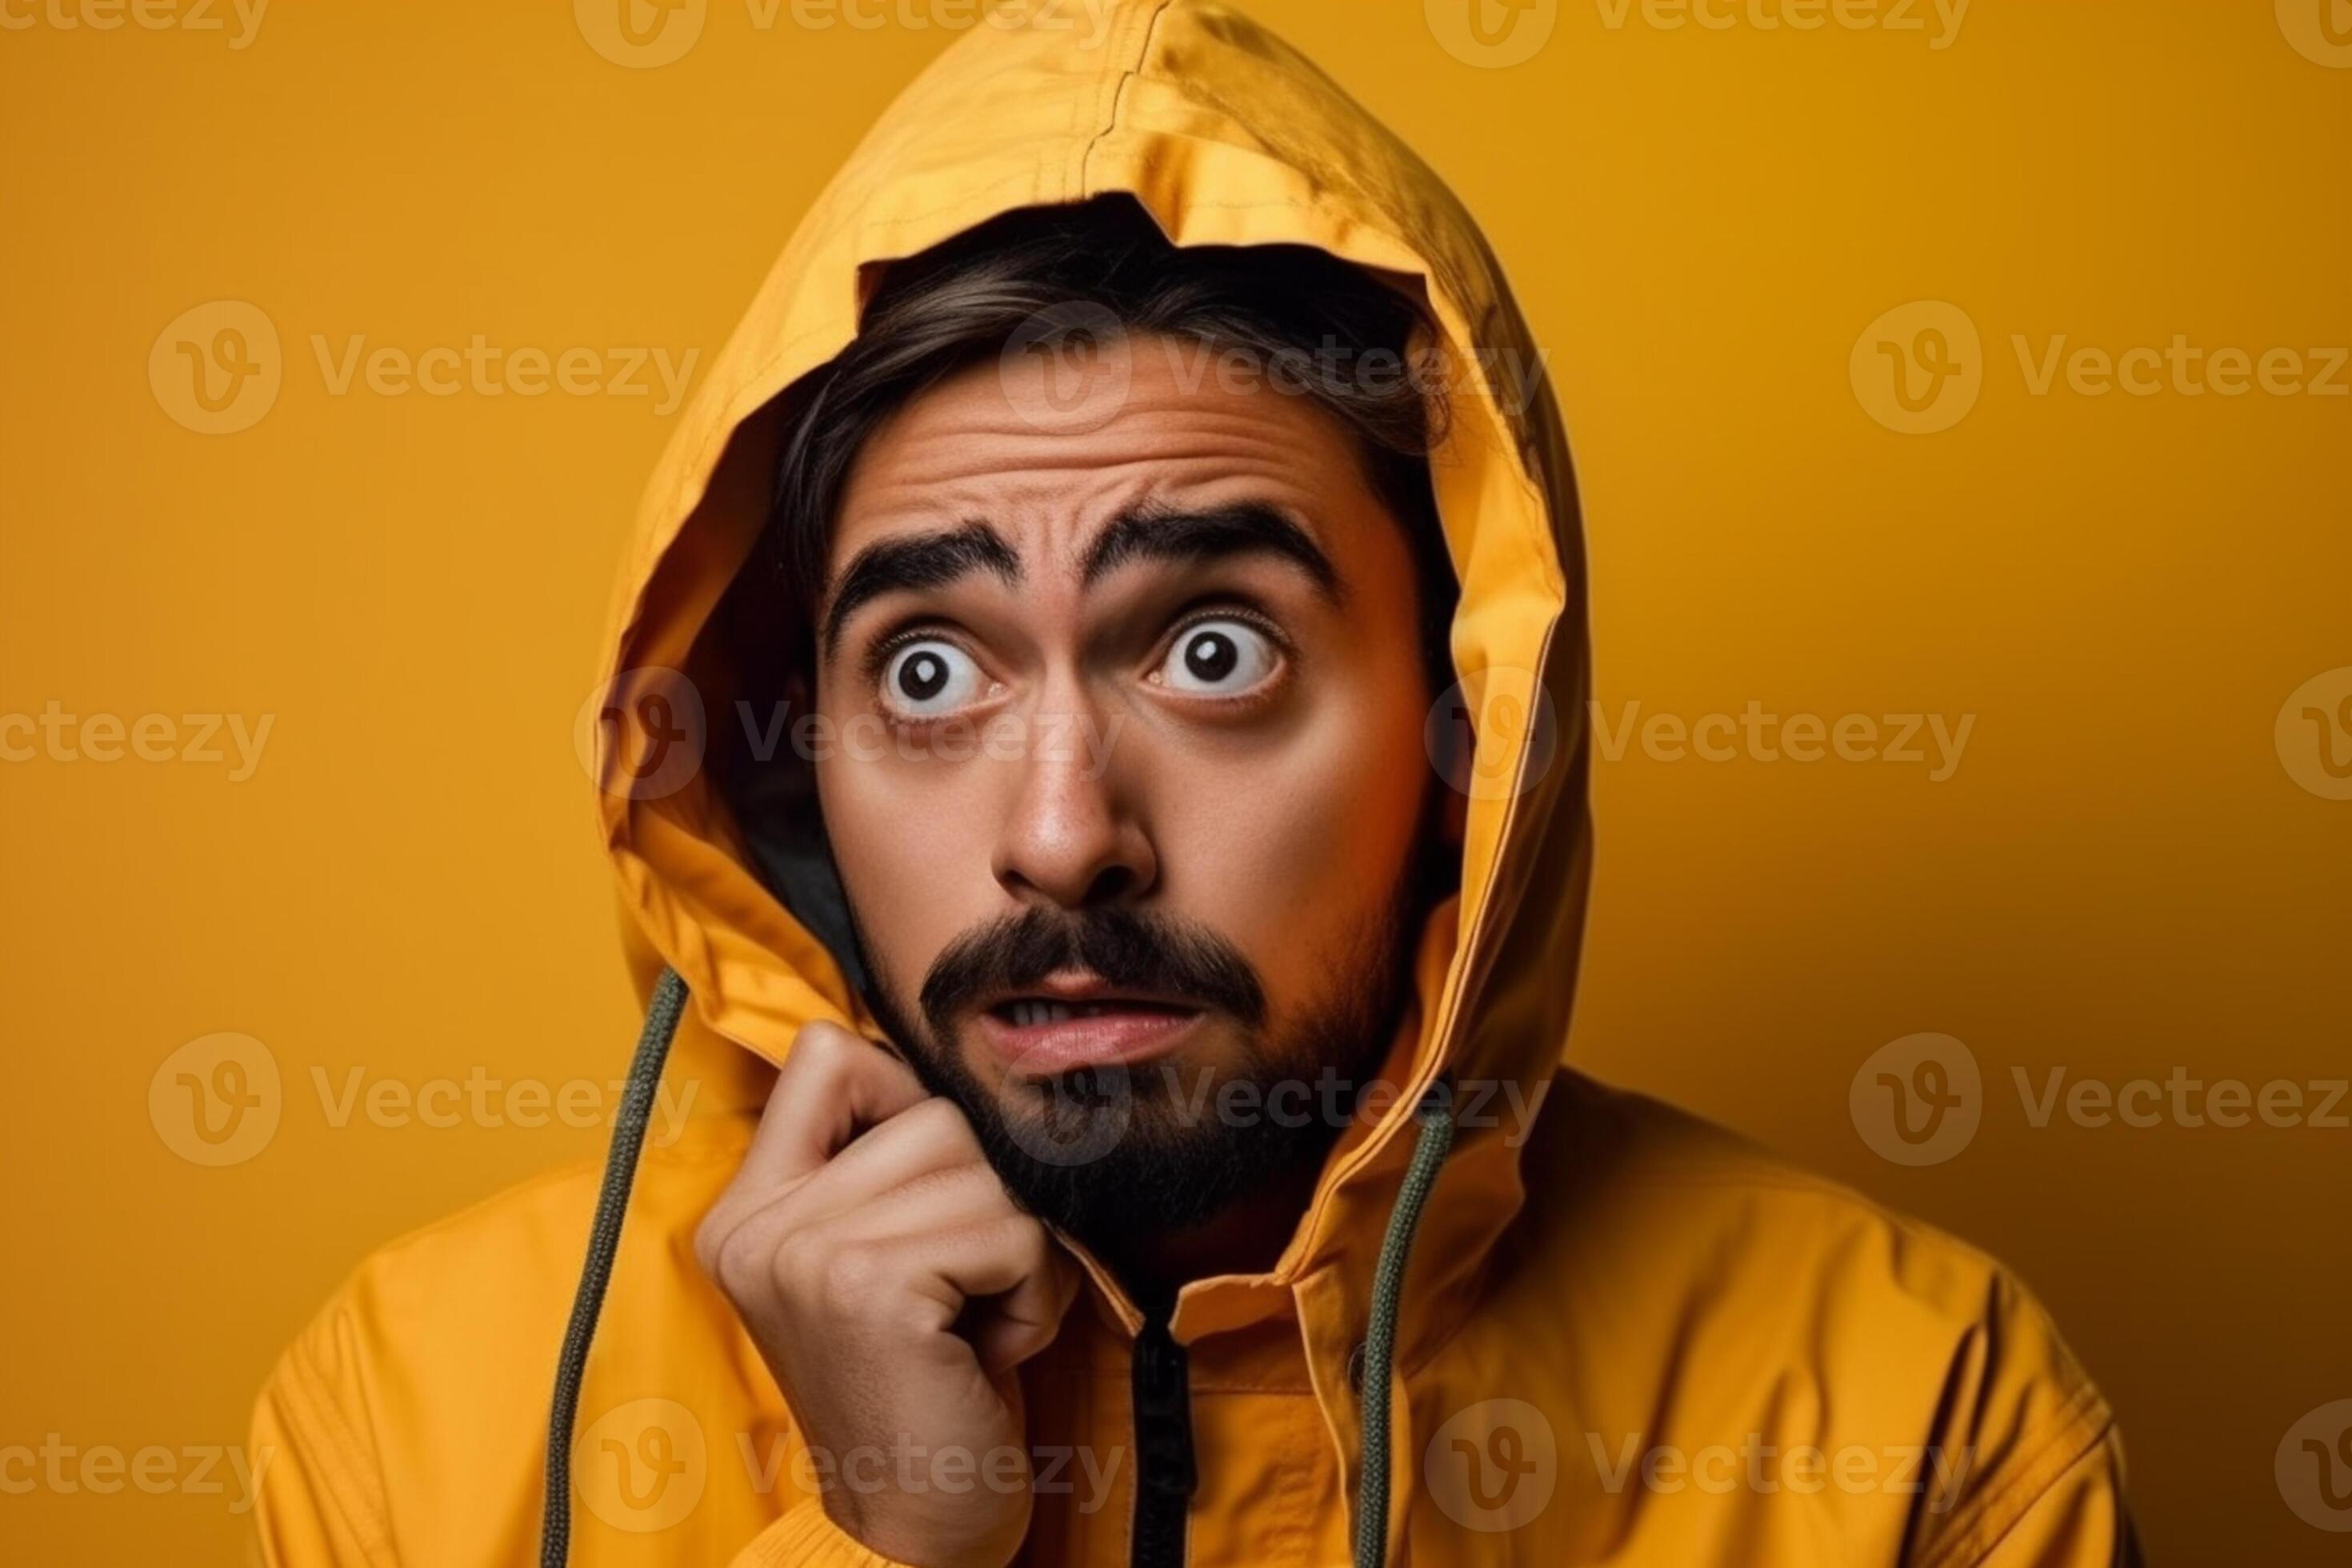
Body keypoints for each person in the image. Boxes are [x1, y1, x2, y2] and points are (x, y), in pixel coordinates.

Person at [252, 4, 2140, 1564]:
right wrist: (883, 1544)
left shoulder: (1918, 1422)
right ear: (794, 749)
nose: (1063, 832)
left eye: (1212, 649)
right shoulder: (421, 1428)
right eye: (929, 670)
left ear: (1468, 716)